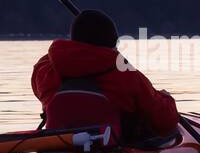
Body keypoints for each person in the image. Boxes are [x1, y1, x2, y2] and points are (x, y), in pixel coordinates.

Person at [32, 9, 179, 143]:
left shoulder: (45, 71)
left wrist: (74, 49)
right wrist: (166, 98)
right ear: (112, 44)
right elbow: (164, 121)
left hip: (58, 151)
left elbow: (55, 58)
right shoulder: (126, 75)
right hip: (114, 152)